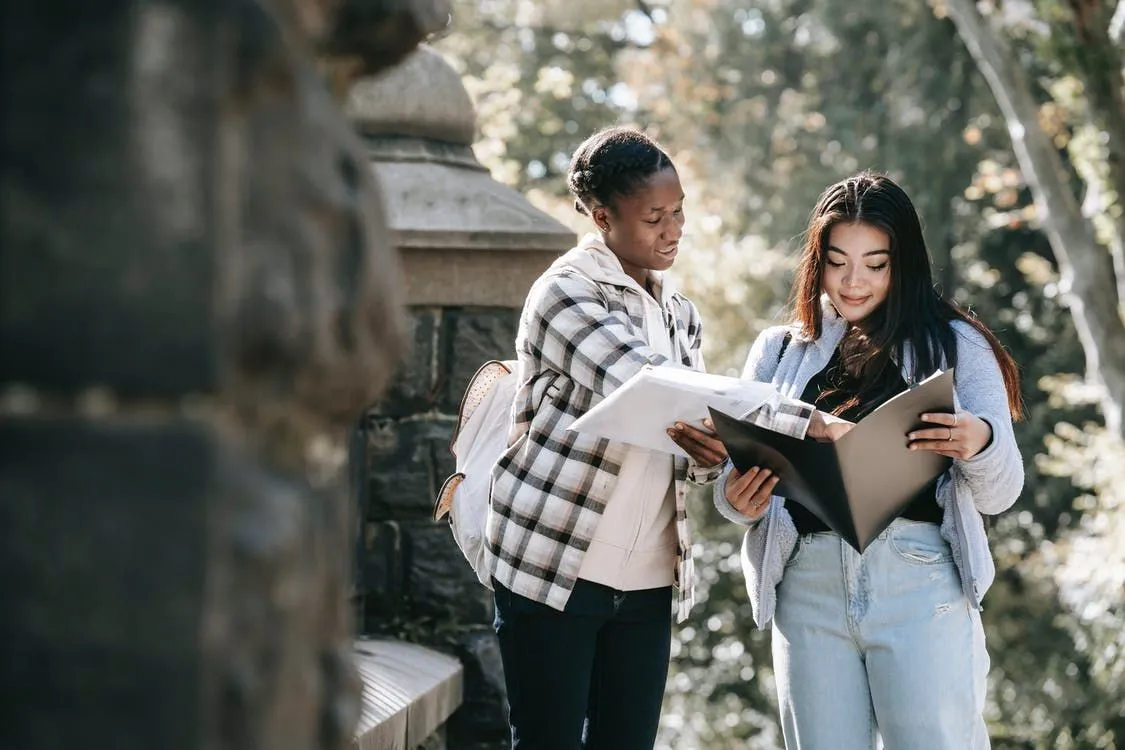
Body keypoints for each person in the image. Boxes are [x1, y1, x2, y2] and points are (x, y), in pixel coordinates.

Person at [486, 126, 845, 750]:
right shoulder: (566, 294)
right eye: (654, 217)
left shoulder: (681, 314)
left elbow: (687, 443)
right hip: (553, 568)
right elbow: (644, 382)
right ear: (603, 216)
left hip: (650, 577)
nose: (672, 229)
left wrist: (709, 455)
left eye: (678, 212)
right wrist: (803, 420)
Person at [714, 172, 1024, 750]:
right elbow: (736, 488)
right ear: (816, 261)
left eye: (875, 264)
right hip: (807, 590)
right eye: (837, 262)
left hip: (918, 583)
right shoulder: (778, 351)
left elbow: (1002, 492)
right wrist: (735, 498)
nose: (853, 281)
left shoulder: (958, 344)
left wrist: (978, 440)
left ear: (902, 263)